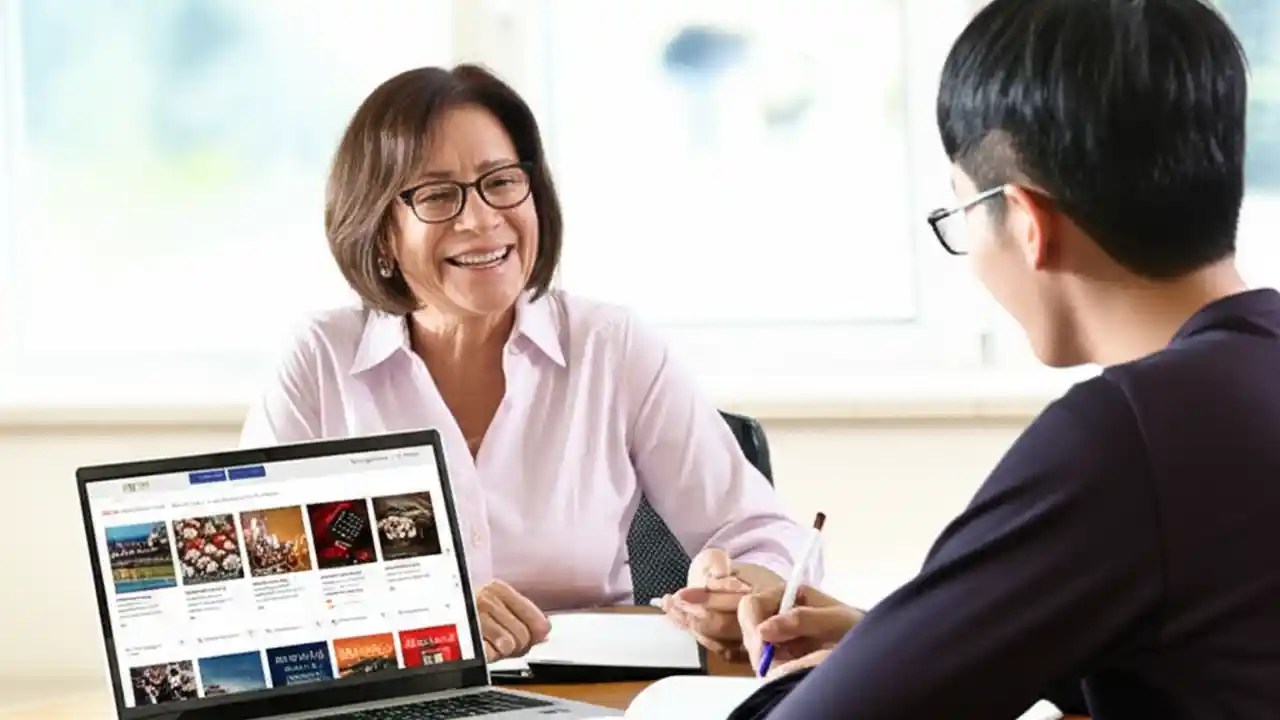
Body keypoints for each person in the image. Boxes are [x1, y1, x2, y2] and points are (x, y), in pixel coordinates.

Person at [732, 0, 1280, 717]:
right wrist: (901, 639)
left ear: (1025, 222)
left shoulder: (1124, 438)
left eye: (961, 215)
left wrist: (820, 677)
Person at [239, 64, 820, 662]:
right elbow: (252, 594)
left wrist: (748, 588)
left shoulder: (610, 345)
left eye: (501, 181)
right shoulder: (320, 361)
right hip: (401, 698)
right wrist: (430, 624)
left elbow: (764, 533)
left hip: (597, 697)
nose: (481, 218)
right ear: (381, 231)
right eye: (438, 195)